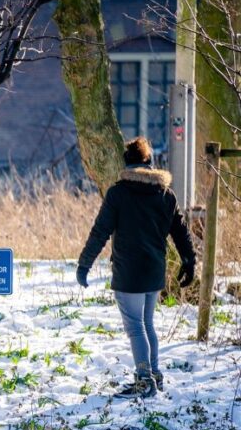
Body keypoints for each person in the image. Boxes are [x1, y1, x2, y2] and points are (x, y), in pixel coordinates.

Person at [76, 136, 196, 399]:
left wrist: (84, 264)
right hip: (154, 269)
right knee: (147, 323)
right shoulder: (165, 194)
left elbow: (100, 232)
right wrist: (189, 261)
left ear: (127, 163)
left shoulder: (119, 193)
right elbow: (181, 231)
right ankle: (154, 375)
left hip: (128, 270)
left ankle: (144, 380)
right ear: (149, 163)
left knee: (135, 326)